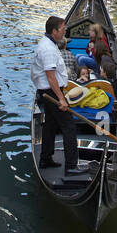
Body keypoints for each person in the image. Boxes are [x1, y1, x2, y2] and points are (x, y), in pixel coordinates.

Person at [30, 16, 84, 174]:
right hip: (51, 92)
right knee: (69, 126)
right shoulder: (48, 49)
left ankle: (46, 159)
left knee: (50, 125)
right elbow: (51, 77)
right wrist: (61, 98)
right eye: (63, 29)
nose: (65, 31)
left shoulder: (48, 44)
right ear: (54, 31)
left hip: (48, 91)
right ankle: (72, 166)